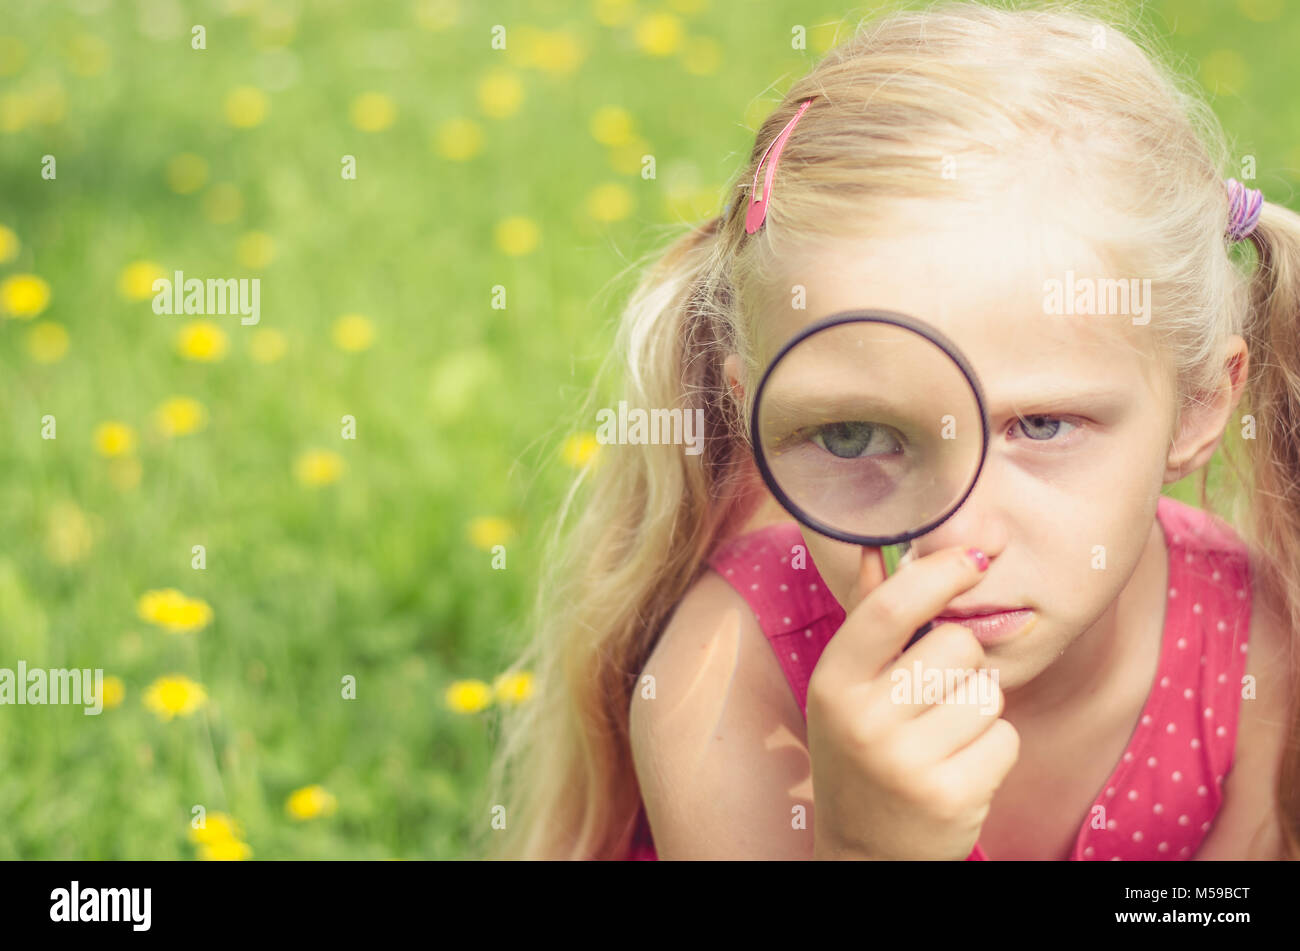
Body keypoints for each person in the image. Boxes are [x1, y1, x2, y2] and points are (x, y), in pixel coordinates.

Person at [482, 2, 1299, 860]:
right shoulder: (722, 672)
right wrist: (863, 849)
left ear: (1202, 402)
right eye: (851, 437)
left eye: (1044, 425)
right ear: (753, 416)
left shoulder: (1257, 657)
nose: (952, 535)